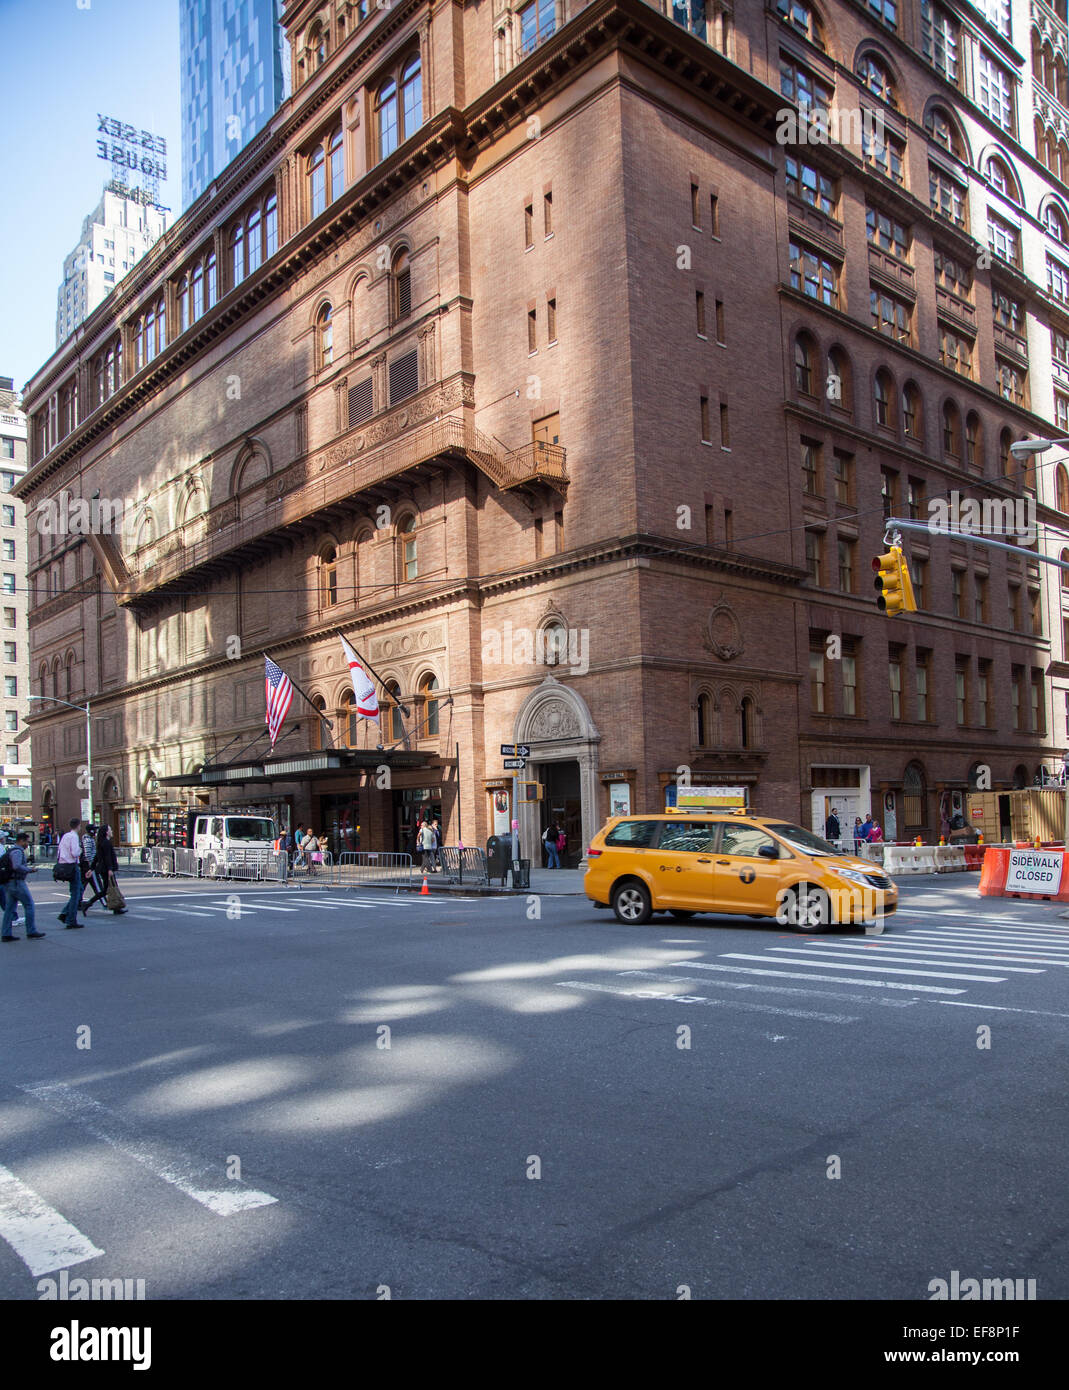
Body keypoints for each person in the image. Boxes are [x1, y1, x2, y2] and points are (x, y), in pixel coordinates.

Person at [1, 834, 44, 941]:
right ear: (21, 841)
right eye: (27, 842)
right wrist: (29, 870)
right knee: (29, 905)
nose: (27, 844)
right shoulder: (17, 851)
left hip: (9, 882)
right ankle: (31, 931)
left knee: (9, 909)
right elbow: (16, 866)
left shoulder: (11, 850)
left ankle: (6, 934)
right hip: (17, 883)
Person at [84, 824, 125, 913]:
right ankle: (88, 903)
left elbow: (97, 857)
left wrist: (91, 868)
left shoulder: (101, 842)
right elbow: (107, 857)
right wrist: (110, 869)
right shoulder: (106, 843)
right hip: (106, 869)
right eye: (110, 830)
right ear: (107, 832)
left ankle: (116, 908)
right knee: (108, 889)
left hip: (103, 869)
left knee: (109, 888)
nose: (112, 831)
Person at [56, 817, 85, 928]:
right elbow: (75, 853)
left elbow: (60, 850)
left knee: (78, 890)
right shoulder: (74, 837)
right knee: (76, 893)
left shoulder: (65, 836)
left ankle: (65, 913)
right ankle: (70, 919)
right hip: (72, 865)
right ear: (78, 826)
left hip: (64, 865)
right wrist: (80, 850)